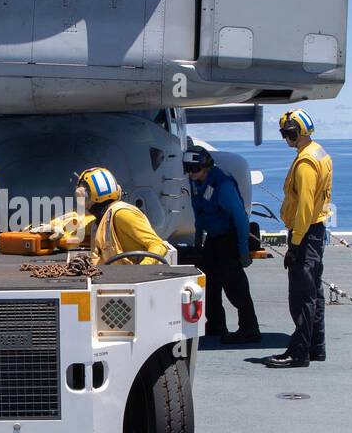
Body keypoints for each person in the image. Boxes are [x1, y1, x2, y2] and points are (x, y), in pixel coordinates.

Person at [264, 109, 333, 369]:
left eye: (286, 133)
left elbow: (304, 206)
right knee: (314, 292)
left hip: (305, 233)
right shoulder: (319, 152)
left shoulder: (305, 163)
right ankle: (316, 346)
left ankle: (299, 353)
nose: (285, 138)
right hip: (317, 231)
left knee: (301, 296)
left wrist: (294, 244)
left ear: (295, 132)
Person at [184, 145, 261, 344]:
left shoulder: (223, 184)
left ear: (206, 166)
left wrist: (243, 251)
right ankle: (216, 325)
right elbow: (199, 212)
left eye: (194, 169)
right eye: (188, 169)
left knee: (235, 286)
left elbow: (241, 219)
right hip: (213, 238)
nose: (190, 173)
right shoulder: (197, 182)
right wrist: (198, 240)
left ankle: (249, 328)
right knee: (208, 283)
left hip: (229, 237)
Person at [77, 167, 168, 265]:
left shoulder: (122, 214)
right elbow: (80, 229)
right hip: (112, 273)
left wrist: (141, 269)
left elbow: (158, 245)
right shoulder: (102, 220)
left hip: (132, 274)